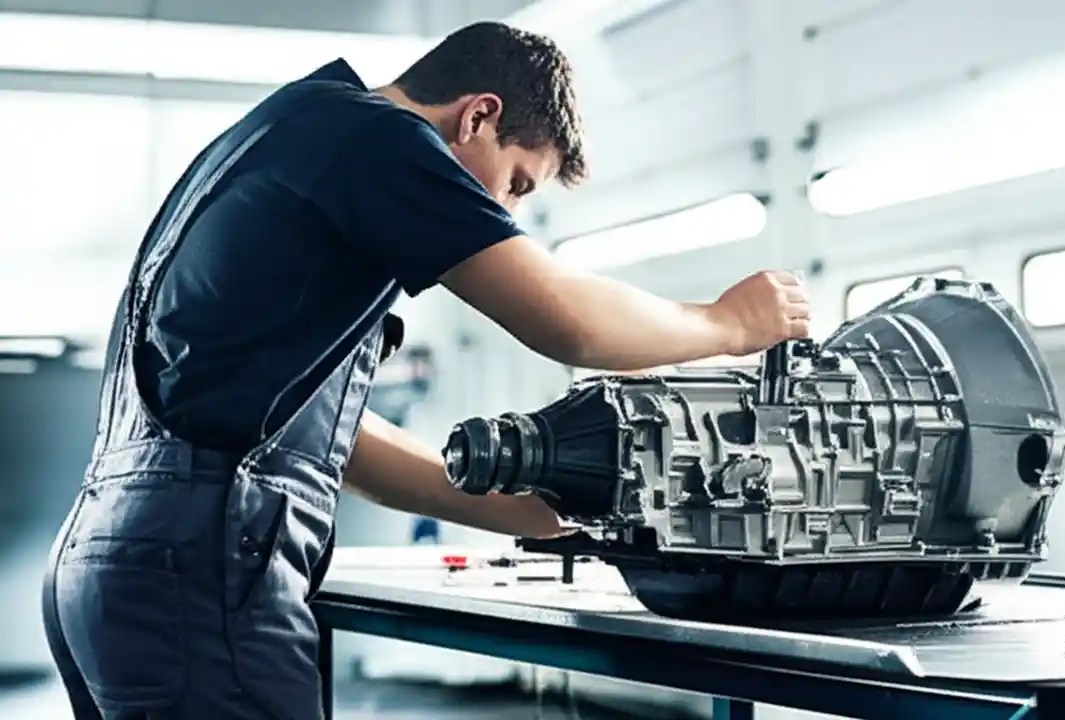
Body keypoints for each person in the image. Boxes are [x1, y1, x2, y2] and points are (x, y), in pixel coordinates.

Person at [41, 20, 810, 720]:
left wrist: (548, 511)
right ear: (478, 116)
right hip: (203, 572)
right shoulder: (375, 138)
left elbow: (346, 452)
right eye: (515, 184)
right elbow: (566, 321)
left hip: (117, 565)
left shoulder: (283, 137)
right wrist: (728, 323)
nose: (506, 215)